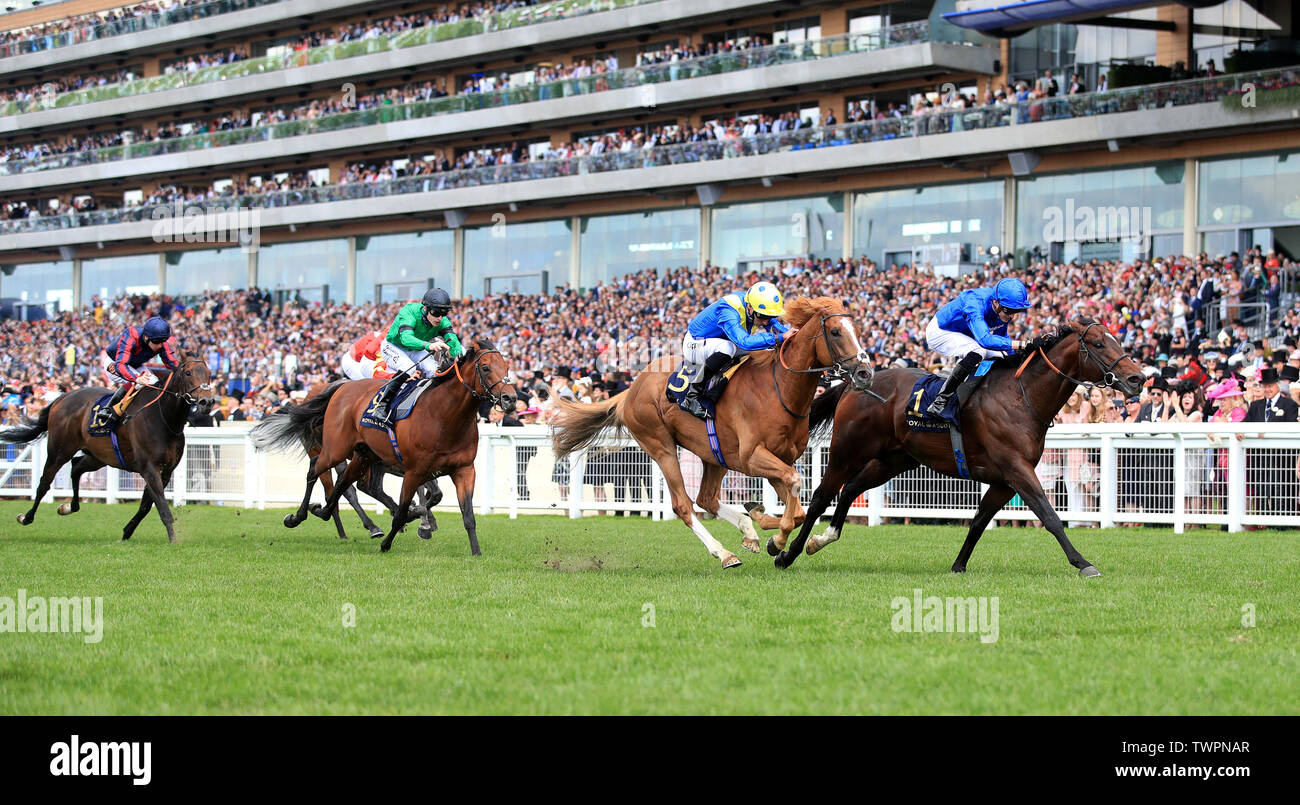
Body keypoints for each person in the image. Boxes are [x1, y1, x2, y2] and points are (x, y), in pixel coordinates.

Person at [678, 281, 790, 418]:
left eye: (770, 317)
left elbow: (778, 330)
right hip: (694, 344)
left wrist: (795, 335)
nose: (766, 322)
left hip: (717, 341)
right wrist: (779, 338)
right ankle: (692, 396)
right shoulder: (728, 310)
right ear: (749, 307)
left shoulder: (756, 306)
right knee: (728, 348)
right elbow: (744, 342)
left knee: (761, 350)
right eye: (762, 316)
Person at [923, 277, 1030, 416]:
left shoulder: (1001, 307)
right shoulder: (975, 302)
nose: (1012, 316)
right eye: (1009, 311)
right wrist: (1024, 344)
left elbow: (1002, 339)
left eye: (1016, 311)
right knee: (978, 351)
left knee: (1002, 356)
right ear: (996, 303)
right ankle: (941, 400)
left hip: (967, 334)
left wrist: (1019, 356)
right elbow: (985, 340)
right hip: (941, 331)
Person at [371, 288, 463, 428]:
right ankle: (381, 405)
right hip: (394, 346)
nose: (439, 317)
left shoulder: (441, 320)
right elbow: (406, 338)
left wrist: (459, 356)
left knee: (435, 370)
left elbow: (452, 339)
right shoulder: (409, 312)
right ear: (425, 309)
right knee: (409, 368)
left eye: (443, 313)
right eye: (436, 312)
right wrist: (428, 346)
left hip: (416, 348)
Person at [96, 315, 179, 429]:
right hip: (115, 363)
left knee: (154, 382)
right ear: (146, 337)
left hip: (135, 365)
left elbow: (173, 365)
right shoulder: (131, 336)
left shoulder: (160, 341)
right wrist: (136, 378)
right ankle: (109, 409)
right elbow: (121, 365)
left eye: (163, 341)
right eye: (157, 342)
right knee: (141, 382)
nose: (161, 345)